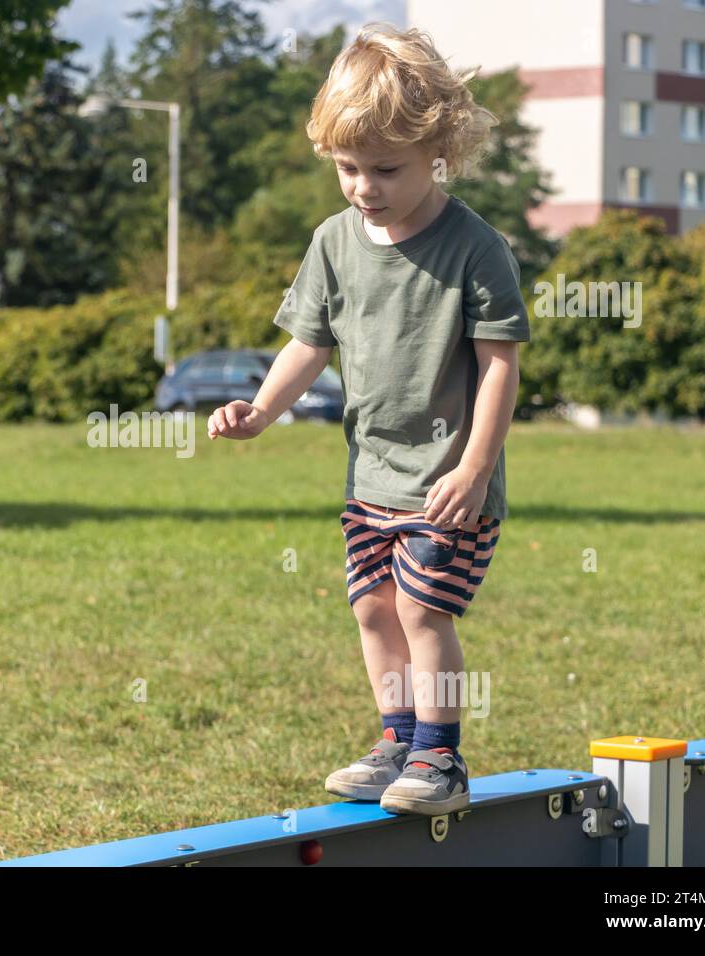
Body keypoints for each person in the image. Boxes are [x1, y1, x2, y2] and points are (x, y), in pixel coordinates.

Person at [206, 23, 531, 816]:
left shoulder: (476, 248)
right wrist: (261, 409)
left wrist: (474, 467)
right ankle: (396, 744)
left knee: (424, 609)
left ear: (438, 149)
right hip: (369, 481)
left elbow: (500, 368)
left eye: (385, 168)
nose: (364, 186)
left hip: (450, 485)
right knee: (373, 609)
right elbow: (306, 346)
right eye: (348, 168)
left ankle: (441, 759)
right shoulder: (333, 243)